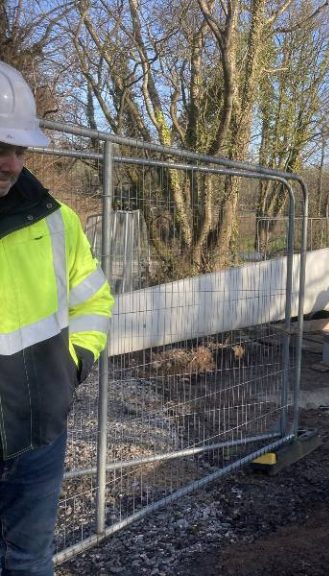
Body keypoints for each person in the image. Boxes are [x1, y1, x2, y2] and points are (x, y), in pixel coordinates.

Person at [0, 61, 114, 575]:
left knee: (28, 562)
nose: (10, 164)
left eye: (19, 149)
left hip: (37, 434)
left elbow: (93, 300)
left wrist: (72, 366)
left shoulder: (56, 220)